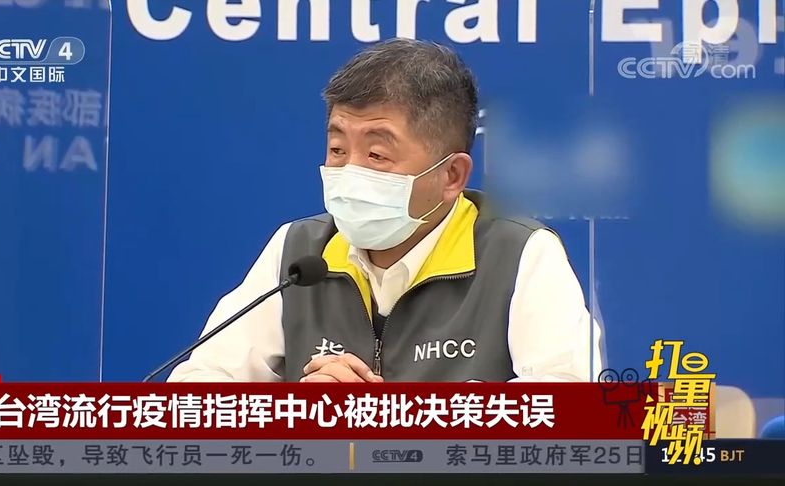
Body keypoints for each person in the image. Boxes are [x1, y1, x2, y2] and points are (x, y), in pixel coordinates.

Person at [169, 38, 603, 384]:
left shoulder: (519, 253)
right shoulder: (298, 251)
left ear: (451, 175)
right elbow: (197, 389)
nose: (349, 172)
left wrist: (396, 417)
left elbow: (569, 404)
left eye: (377, 155)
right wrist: (301, 409)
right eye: (337, 149)